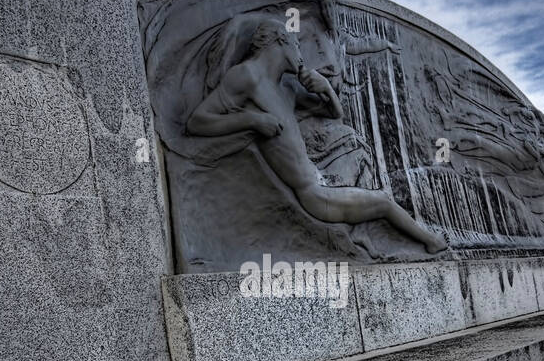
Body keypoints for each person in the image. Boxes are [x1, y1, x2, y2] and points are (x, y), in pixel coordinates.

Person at [186, 19, 447, 253]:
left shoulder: (286, 90)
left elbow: (335, 114)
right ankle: (431, 242)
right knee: (383, 203)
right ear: (281, 41)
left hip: (324, 180)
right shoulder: (246, 76)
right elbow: (197, 122)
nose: (301, 55)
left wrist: (327, 90)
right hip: (315, 195)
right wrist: (252, 120)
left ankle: (394, 239)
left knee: (370, 178)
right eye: (297, 46)